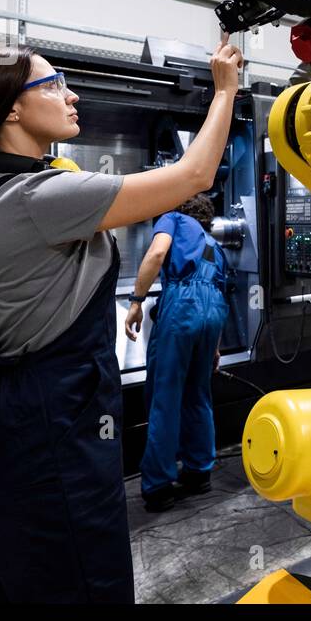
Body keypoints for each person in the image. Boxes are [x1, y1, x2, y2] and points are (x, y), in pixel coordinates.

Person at [0, 33, 243, 604]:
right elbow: (195, 175)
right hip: (54, 421)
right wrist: (225, 89)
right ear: (12, 108)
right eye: (53, 84)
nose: (70, 95)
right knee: (83, 579)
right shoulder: (39, 196)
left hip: (16, 413)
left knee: (36, 580)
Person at [125, 193, 228, 511]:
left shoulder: (172, 219)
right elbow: (220, 292)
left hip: (182, 306)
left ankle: (158, 486)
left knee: (165, 397)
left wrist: (136, 300)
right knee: (198, 396)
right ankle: (199, 473)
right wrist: (215, 347)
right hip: (213, 315)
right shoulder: (215, 246)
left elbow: (156, 254)